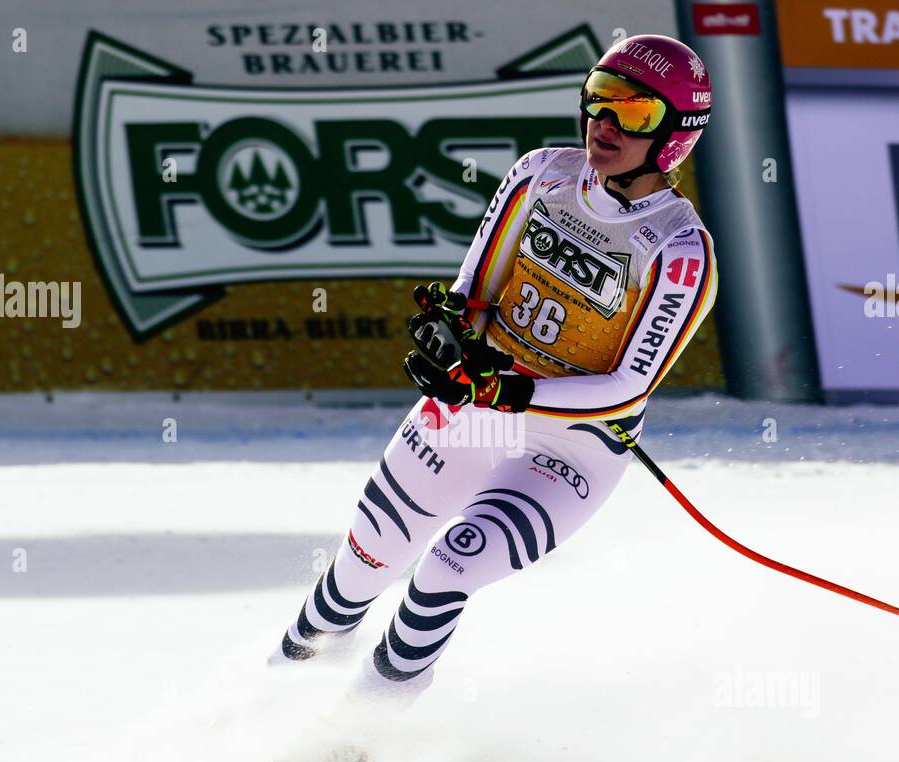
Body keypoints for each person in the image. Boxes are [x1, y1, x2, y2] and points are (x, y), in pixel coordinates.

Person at [270, 34, 720, 719]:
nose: (604, 124)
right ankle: (265, 699)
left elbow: (629, 385)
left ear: (674, 136)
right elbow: (474, 288)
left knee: (449, 568)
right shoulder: (542, 174)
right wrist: (450, 331)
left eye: (631, 113)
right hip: (476, 406)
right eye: (598, 102)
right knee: (364, 560)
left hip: (573, 446)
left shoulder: (679, 250)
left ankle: (355, 738)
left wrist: (513, 392)